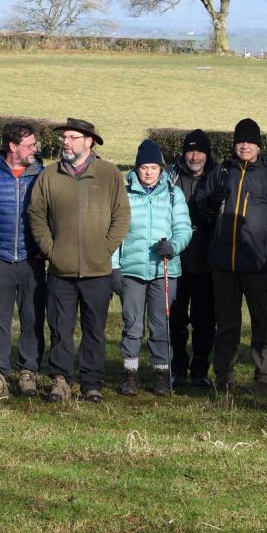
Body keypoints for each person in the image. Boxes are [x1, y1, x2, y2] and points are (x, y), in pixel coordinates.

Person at [192, 118, 267, 394]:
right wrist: (211, 201)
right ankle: (223, 378)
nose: (245, 146)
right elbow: (201, 209)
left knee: (263, 324)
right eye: (240, 141)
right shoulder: (221, 172)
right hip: (223, 265)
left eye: (250, 141)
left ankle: (264, 378)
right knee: (226, 325)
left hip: (258, 265)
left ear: (259, 145)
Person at [28, 118, 130, 403]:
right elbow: (36, 214)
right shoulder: (50, 175)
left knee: (94, 329)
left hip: (98, 271)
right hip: (61, 270)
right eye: (65, 137)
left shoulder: (109, 174)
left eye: (72, 137)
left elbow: (122, 216)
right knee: (60, 329)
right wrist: (51, 249)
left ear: (89, 141)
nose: (66, 142)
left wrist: (104, 249)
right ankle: (60, 380)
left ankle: (91, 383)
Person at [0, 121, 47, 400]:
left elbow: (50, 215)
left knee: (32, 317)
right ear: (13, 146)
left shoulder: (41, 176)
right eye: (30, 145)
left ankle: (28, 372)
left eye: (34, 144)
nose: (34, 150)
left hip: (32, 260)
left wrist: (42, 251)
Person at [114, 140, 192, 396]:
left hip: (165, 270)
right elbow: (114, 232)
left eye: (153, 167)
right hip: (132, 270)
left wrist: (174, 246)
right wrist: (115, 267)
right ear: (136, 169)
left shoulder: (173, 194)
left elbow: (183, 228)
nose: (148, 172)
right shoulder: (124, 193)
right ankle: (130, 374)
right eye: (143, 167)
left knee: (161, 324)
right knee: (133, 324)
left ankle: (161, 374)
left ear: (161, 169)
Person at [168, 129, 218, 389]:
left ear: (207, 155)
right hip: (176, 262)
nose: (194, 156)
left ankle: (200, 370)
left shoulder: (218, 177)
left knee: (205, 320)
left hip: (207, 261)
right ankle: (177, 368)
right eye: (190, 151)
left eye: (200, 151)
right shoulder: (171, 177)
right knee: (175, 318)